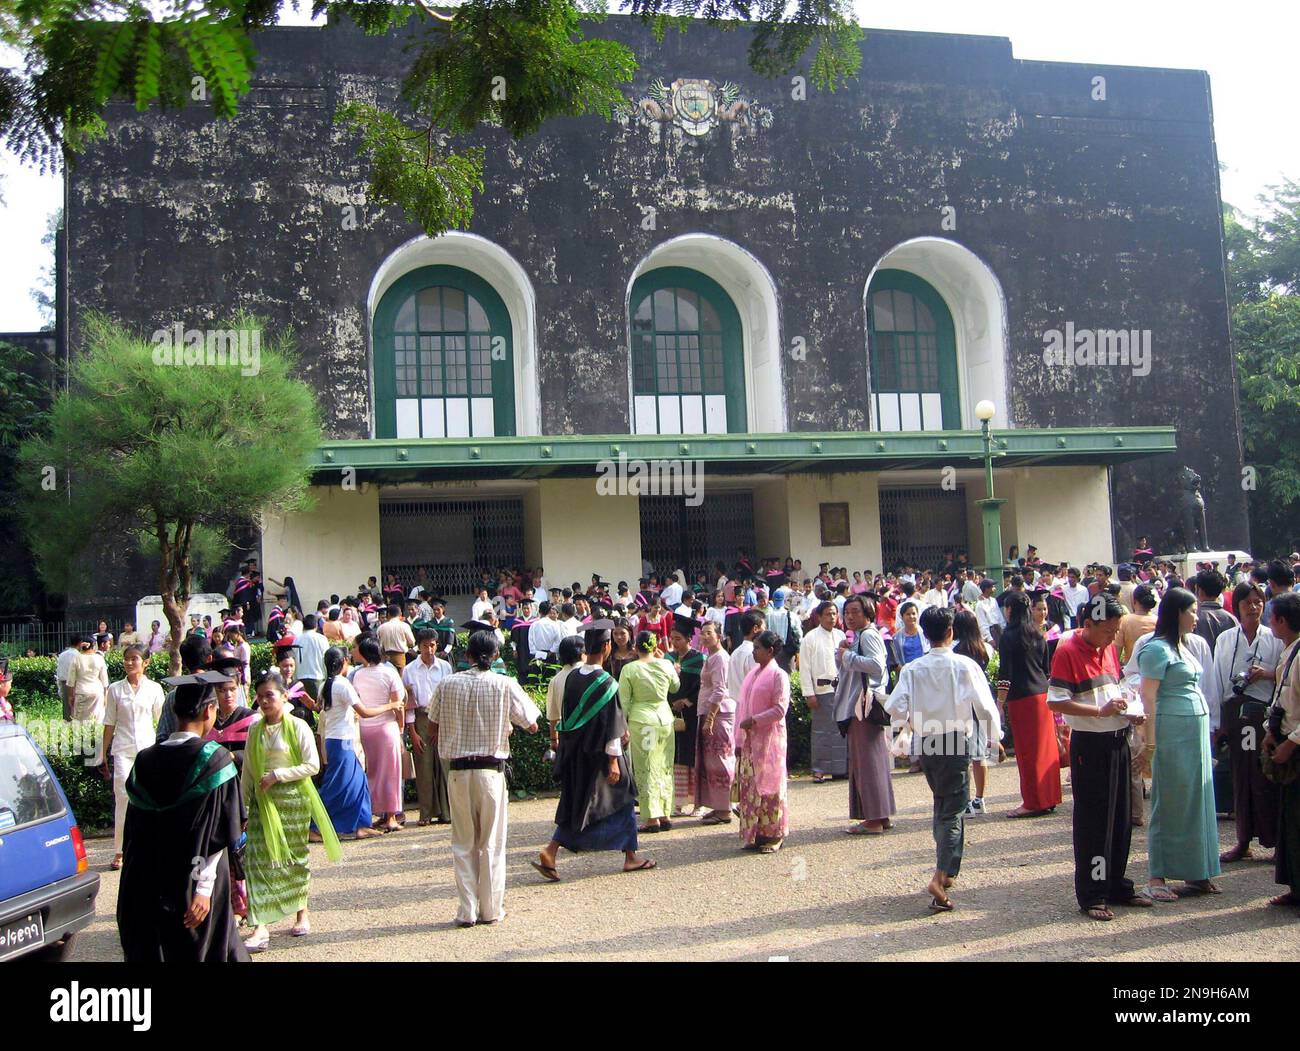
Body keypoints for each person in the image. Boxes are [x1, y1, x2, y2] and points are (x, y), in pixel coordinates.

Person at [116, 671, 249, 962]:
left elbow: (134, 832)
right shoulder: (216, 761)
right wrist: (203, 889)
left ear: (174, 711)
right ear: (208, 710)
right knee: (208, 948)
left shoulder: (144, 760)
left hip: (150, 880)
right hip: (197, 878)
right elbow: (221, 833)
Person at [885, 607, 1001, 911]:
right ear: (951, 632)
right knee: (952, 810)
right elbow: (986, 708)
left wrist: (908, 722)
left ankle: (948, 871)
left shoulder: (913, 668)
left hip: (928, 740)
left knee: (944, 803)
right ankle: (939, 875)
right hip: (955, 739)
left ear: (925, 633)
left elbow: (895, 706)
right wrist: (994, 737)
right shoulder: (964, 665)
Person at [1048, 593, 1153, 921]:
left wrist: (1128, 708)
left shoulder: (1106, 648)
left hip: (1117, 738)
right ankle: (1093, 892)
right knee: (1094, 823)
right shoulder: (1067, 651)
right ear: (1088, 624)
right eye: (1108, 631)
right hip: (1090, 747)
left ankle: (1117, 883)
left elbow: (1114, 687)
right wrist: (1100, 710)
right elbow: (1056, 702)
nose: (1113, 638)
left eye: (1115, 631)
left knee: (1121, 820)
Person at [533, 619, 656, 879]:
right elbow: (612, 723)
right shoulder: (607, 683)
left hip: (576, 753)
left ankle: (553, 851)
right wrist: (613, 761)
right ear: (607, 646)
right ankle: (628, 857)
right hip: (601, 755)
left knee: (578, 801)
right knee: (622, 794)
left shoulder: (572, 678)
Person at [241, 670, 341, 953]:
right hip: (263, 801)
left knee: (295, 858)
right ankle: (259, 925)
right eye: (259, 697)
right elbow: (248, 770)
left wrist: (279, 775)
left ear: (284, 696)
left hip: (293, 801)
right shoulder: (254, 729)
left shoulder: (298, 726)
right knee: (257, 861)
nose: (264, 701)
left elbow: (313, 766)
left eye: (269, 695)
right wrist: (243, 806)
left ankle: (301, 911)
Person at [1139, 587, 1222, 900]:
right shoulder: (1157, 649)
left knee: (1198, 798)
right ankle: (1156, 876)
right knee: (1171, 799)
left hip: (1194, 728)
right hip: (1171, 729)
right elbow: (1148, 697)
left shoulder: (1185, 646)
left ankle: (1197, 869)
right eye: (1191, 611)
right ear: (1176, 613)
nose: (1196, 616)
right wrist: (1149, 743)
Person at [1211, 581, 1283, 863]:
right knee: (1240, 776)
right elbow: (1217, 679)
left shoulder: (1274, 638)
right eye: (1247, 603)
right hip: (1236, 714)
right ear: (1237, 607)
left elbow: (1285, 674)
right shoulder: (1226, 639)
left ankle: (1276, 841)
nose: (1253, 608)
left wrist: (1266, 674)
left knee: (1266, 775)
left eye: (1258, 602)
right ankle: (1243, 840)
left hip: (1263, 713)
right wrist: (1219, 723)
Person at [833, 595, 896, 835]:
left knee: (867, 762)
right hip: (863, 705)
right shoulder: (861, 635)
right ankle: (880, 814)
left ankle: (873, 820)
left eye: (855, 612)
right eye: (847, 612)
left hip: (862, 706)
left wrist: (847, 657)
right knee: (873, 760)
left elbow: (878, 666)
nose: (849, 616)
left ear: (867, 613)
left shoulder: (868, 635)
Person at [100, 645, 166, 870]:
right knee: (123, 796)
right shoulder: (115, 690)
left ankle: (152, 845)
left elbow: (162, 722)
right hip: (123, 750)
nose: (129, 663)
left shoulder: (155, 689)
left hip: (148, 751)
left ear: (145, 662)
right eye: (126, 659)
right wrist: (103, 753)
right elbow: (109, 723)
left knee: (150, 798)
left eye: (134, 659)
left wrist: (165, 749)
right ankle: (120, 849)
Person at [317, 646, 393, 840]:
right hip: (342, 741)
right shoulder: (342, 684)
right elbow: (364, 712)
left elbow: (319, 707)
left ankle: (361, 824)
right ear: (343, 662)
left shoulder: (325, 684)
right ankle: (316, 826)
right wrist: (390, 705)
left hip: (335, 741)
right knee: (336, 785)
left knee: (358, 783)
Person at [997, 592, 1061, 818]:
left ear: (1011, 610)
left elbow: (1005, 672)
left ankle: (1033, 802)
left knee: (1027, 752)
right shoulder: (1038, 633)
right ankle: (1049, 796)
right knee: (1045, 749)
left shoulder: (1008, 636)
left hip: (1021, 698)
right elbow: (1046, 668)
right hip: (1042, 695)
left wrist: (1000, 701)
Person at [735, 630, 791, 854]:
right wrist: (739, 739)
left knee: (771, 787)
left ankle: (774, 834)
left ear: (770, 651)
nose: (754, 652)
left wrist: (755, 720)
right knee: (751, 787)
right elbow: (742, 706)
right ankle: (755, 833)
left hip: (770, 740)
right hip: (750, 741)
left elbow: (779, 709)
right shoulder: (753, 674)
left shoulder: (779, 676)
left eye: (758, 648)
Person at [620, 630, 680, 833]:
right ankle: (666, 813)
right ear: (656, 648)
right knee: (664, 765)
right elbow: (675, 688)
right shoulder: (666, 664)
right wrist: (668, 664)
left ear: (635, 647)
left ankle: (651, 817)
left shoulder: (629, 669)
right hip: (664, 718)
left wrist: (623, 726)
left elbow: (624, 701)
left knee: (645, 767)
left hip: (642, 720)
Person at [1263, 592, 1300, 908]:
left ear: (1282, 621)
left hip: (1297, 745)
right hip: (1285, 738)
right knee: (1290, 821)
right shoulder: (1289, 652)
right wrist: (1269, 732)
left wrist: (1290, 743)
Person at [353, 634, 408, 832]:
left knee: (374, 773)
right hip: (386, 728)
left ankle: (378, 812)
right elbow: (398, 705)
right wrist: (401, 727)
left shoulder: (358, 675)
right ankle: (391, 815)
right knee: (391, 773)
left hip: (365, 728)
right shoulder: (389, 673)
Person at [952, 608, 1003, 815]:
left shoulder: (954, 651)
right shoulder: (986, 650)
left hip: (960, 707)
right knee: (979, 756)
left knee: (961, 756)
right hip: (982, 703)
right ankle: (980, 798)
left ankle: (963, 799)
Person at [403, 628, 454, 826]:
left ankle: (447, 812)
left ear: (437, 645)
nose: (429, 650)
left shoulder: (445, 668)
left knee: (444, 764)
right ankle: (425, 813)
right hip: (420, 718)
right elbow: (407, 704)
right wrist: (412, 732)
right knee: (423, 766)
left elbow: (449, 697)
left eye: (432, 645)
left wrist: (445, 723)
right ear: (418, 647)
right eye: (425, 646)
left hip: (442, 718)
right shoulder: (409, 670)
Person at [694, 621, 736, 823]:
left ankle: (725, 808)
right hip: (709, 713)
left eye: (709, 633)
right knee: (712, 762)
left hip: (719, 715)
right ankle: (718, 806)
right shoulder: (710, 657)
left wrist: (710, 718)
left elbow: (720, 690)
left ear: (719, 636)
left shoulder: (720, 658)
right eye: (703, 633)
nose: (705, 636)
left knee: (720, 761)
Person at [803, 601, 847, 783]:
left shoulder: (841, 636)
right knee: (821, 732)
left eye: (834, 614)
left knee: (840, 731)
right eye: (828, 614)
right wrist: (809, 693)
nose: (831, 618)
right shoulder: (810, 638)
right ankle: (819, 769)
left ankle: (840, 769)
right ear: (819, 617)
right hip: (821, 691)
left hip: (840, 690)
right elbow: (805, 668)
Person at [666, 613, 704, 816]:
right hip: (672, 713)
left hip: (691, 713)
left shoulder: (699, 659)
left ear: (689, 639)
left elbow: (703, 685)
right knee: (676, 756)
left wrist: (687, 701)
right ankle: (678, 802)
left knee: (692, 754)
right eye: (672, 639)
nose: (674, 642)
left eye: (678, 639)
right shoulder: (667, 658)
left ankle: (698, 803)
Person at [295, 614, 331, 702]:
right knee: (319, 707)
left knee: (304, 708)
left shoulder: (297, 639)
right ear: (316, 625)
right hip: (317, 677)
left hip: (300, 677)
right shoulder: (321, 639)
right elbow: (327, 658)